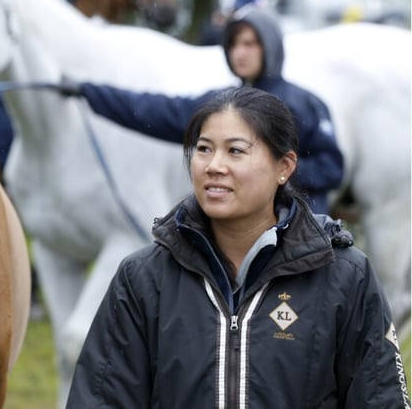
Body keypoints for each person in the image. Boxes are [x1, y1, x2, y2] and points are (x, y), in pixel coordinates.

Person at [66, 87, 408, 407]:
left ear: (284, 168)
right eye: (203, 149)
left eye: (235, 151)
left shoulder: (344, 276)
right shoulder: (143, 278)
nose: (214, 166)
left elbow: (381, 397)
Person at [58, 0, 343, 215]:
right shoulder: (223, 105)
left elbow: (331, 168)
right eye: (233, 44)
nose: (239, 53)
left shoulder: (305, 104)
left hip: (299, 235)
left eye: (249, 44)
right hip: (239, 238)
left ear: (270, 46)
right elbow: (155, 111)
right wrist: (88, 92)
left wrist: (272, 173)